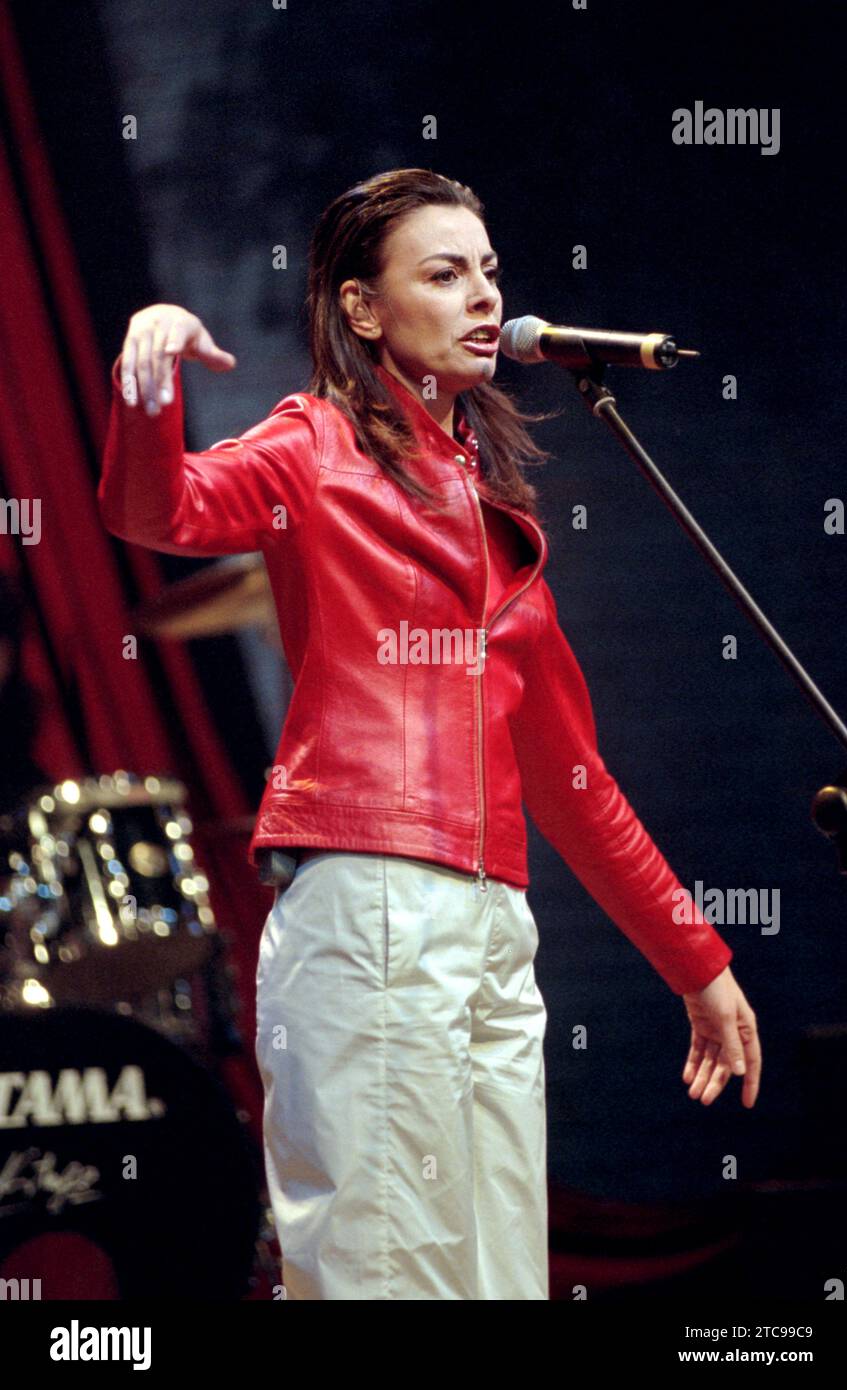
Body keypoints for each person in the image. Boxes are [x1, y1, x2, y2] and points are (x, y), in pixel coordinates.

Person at [98, 167, 761, 1301]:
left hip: (492, 921)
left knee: (497, 1275)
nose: (482, 297)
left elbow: (569, 775)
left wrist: (695, 959)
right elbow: (161, 512)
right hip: (371, 899)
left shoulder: (494, 507)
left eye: (489, 273)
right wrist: (150, 379)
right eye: (444, 274)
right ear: (362, 308)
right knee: (382, 1269)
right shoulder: (311, 445)